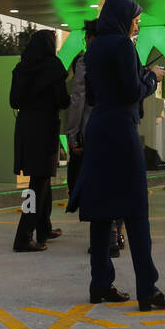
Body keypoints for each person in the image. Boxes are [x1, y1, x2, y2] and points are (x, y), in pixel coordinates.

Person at [68, 0, 165, 310]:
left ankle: (100, 284)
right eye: (136, 20)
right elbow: (131, 92)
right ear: (123, 18)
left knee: (101, 211)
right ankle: (147, 289)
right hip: (121, 132)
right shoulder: (123, 46)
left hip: (99, 129)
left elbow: (92, 97)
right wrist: (152, 80)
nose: (137, 25)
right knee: (136, 210)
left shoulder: (95, 47)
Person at [10, 29, 70, 252]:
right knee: (38, 184)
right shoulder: (53, 68)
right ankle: (23, 236)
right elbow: (62, 100)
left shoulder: (21, 68)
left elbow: (13, 100)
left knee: (41, 179)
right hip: (44, 129)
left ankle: (44, 228)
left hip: (25, 129)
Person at [64, 20, 97, 197]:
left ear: (91, 38)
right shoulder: (120, 59)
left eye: (86, 38)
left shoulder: (85, 62)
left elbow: (78, 99)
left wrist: (72, 133)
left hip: (89, 129)